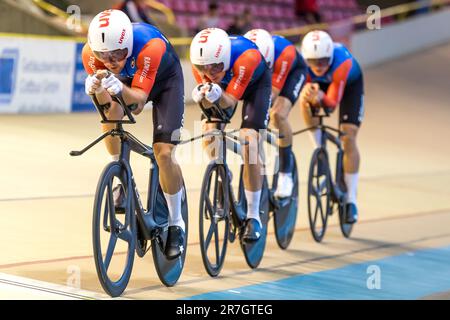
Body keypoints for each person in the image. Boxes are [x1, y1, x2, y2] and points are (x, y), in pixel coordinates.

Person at [82, 9, 186, 259]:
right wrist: (96, 90)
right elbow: (108, 103)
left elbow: (137, 104)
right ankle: (119, 174)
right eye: (102, 55)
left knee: (163, 153)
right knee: (109, 113)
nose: (110, 61)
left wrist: (119, 86)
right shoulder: (90, 54)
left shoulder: (150, 46)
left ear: (127, 44)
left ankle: (176, 222)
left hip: (164, 83)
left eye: (117, 53)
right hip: (130, 81)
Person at [190, 28, 272, 241]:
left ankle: (254, 216)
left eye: (216, 66)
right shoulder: (200, 61)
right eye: (203, 68)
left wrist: (216, 93)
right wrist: (204, 96)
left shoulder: (247, 58)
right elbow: (212, 101)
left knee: (250, 142)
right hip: (227, 85)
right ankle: (222, 174)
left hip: (255, 87)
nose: (209, 72)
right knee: (209, 134)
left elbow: (229, 101)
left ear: (224, 58)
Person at [299, 30, 364, 224]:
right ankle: (319, 148)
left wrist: (320, 97)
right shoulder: (302, 64)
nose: (318, 66)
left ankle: (351, 199)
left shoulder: (341, 62)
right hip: (323, 85)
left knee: (348, 136)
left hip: (349, 85)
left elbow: (332, 103)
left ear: (330, 56)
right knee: (305, 99)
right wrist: (309, 94)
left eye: (323, 60)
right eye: (313, 61)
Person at [244, 29, 307, 198]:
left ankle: (285, 173)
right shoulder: (245, 55)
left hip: (292, 73)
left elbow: (271, 93)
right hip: (262, 78)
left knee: (278, 114)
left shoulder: (284, 53)